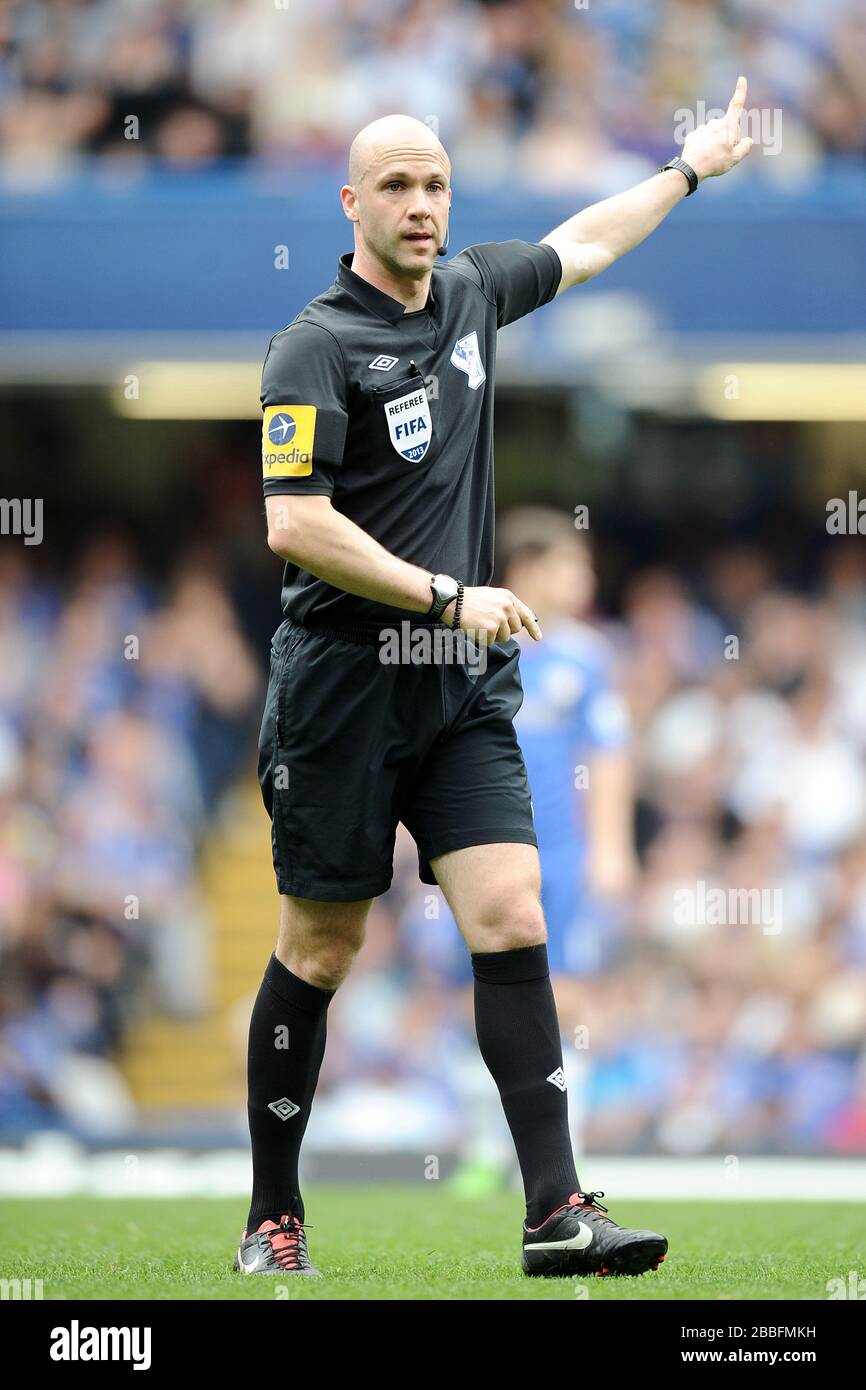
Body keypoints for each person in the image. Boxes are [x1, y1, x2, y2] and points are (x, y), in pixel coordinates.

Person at [236, 83, 752, 1280]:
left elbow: (581, 242)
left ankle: (554, 1210)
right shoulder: (312, 346)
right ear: (351, 200)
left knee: (513, 914)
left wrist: (685, 170)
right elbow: (293, 526)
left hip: (457, 689)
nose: (422, 206)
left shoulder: (468, 292)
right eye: (399, 186)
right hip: (342, 691)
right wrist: (444, 594)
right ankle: (274, 1216)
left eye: (437, 186)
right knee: (318, 950)